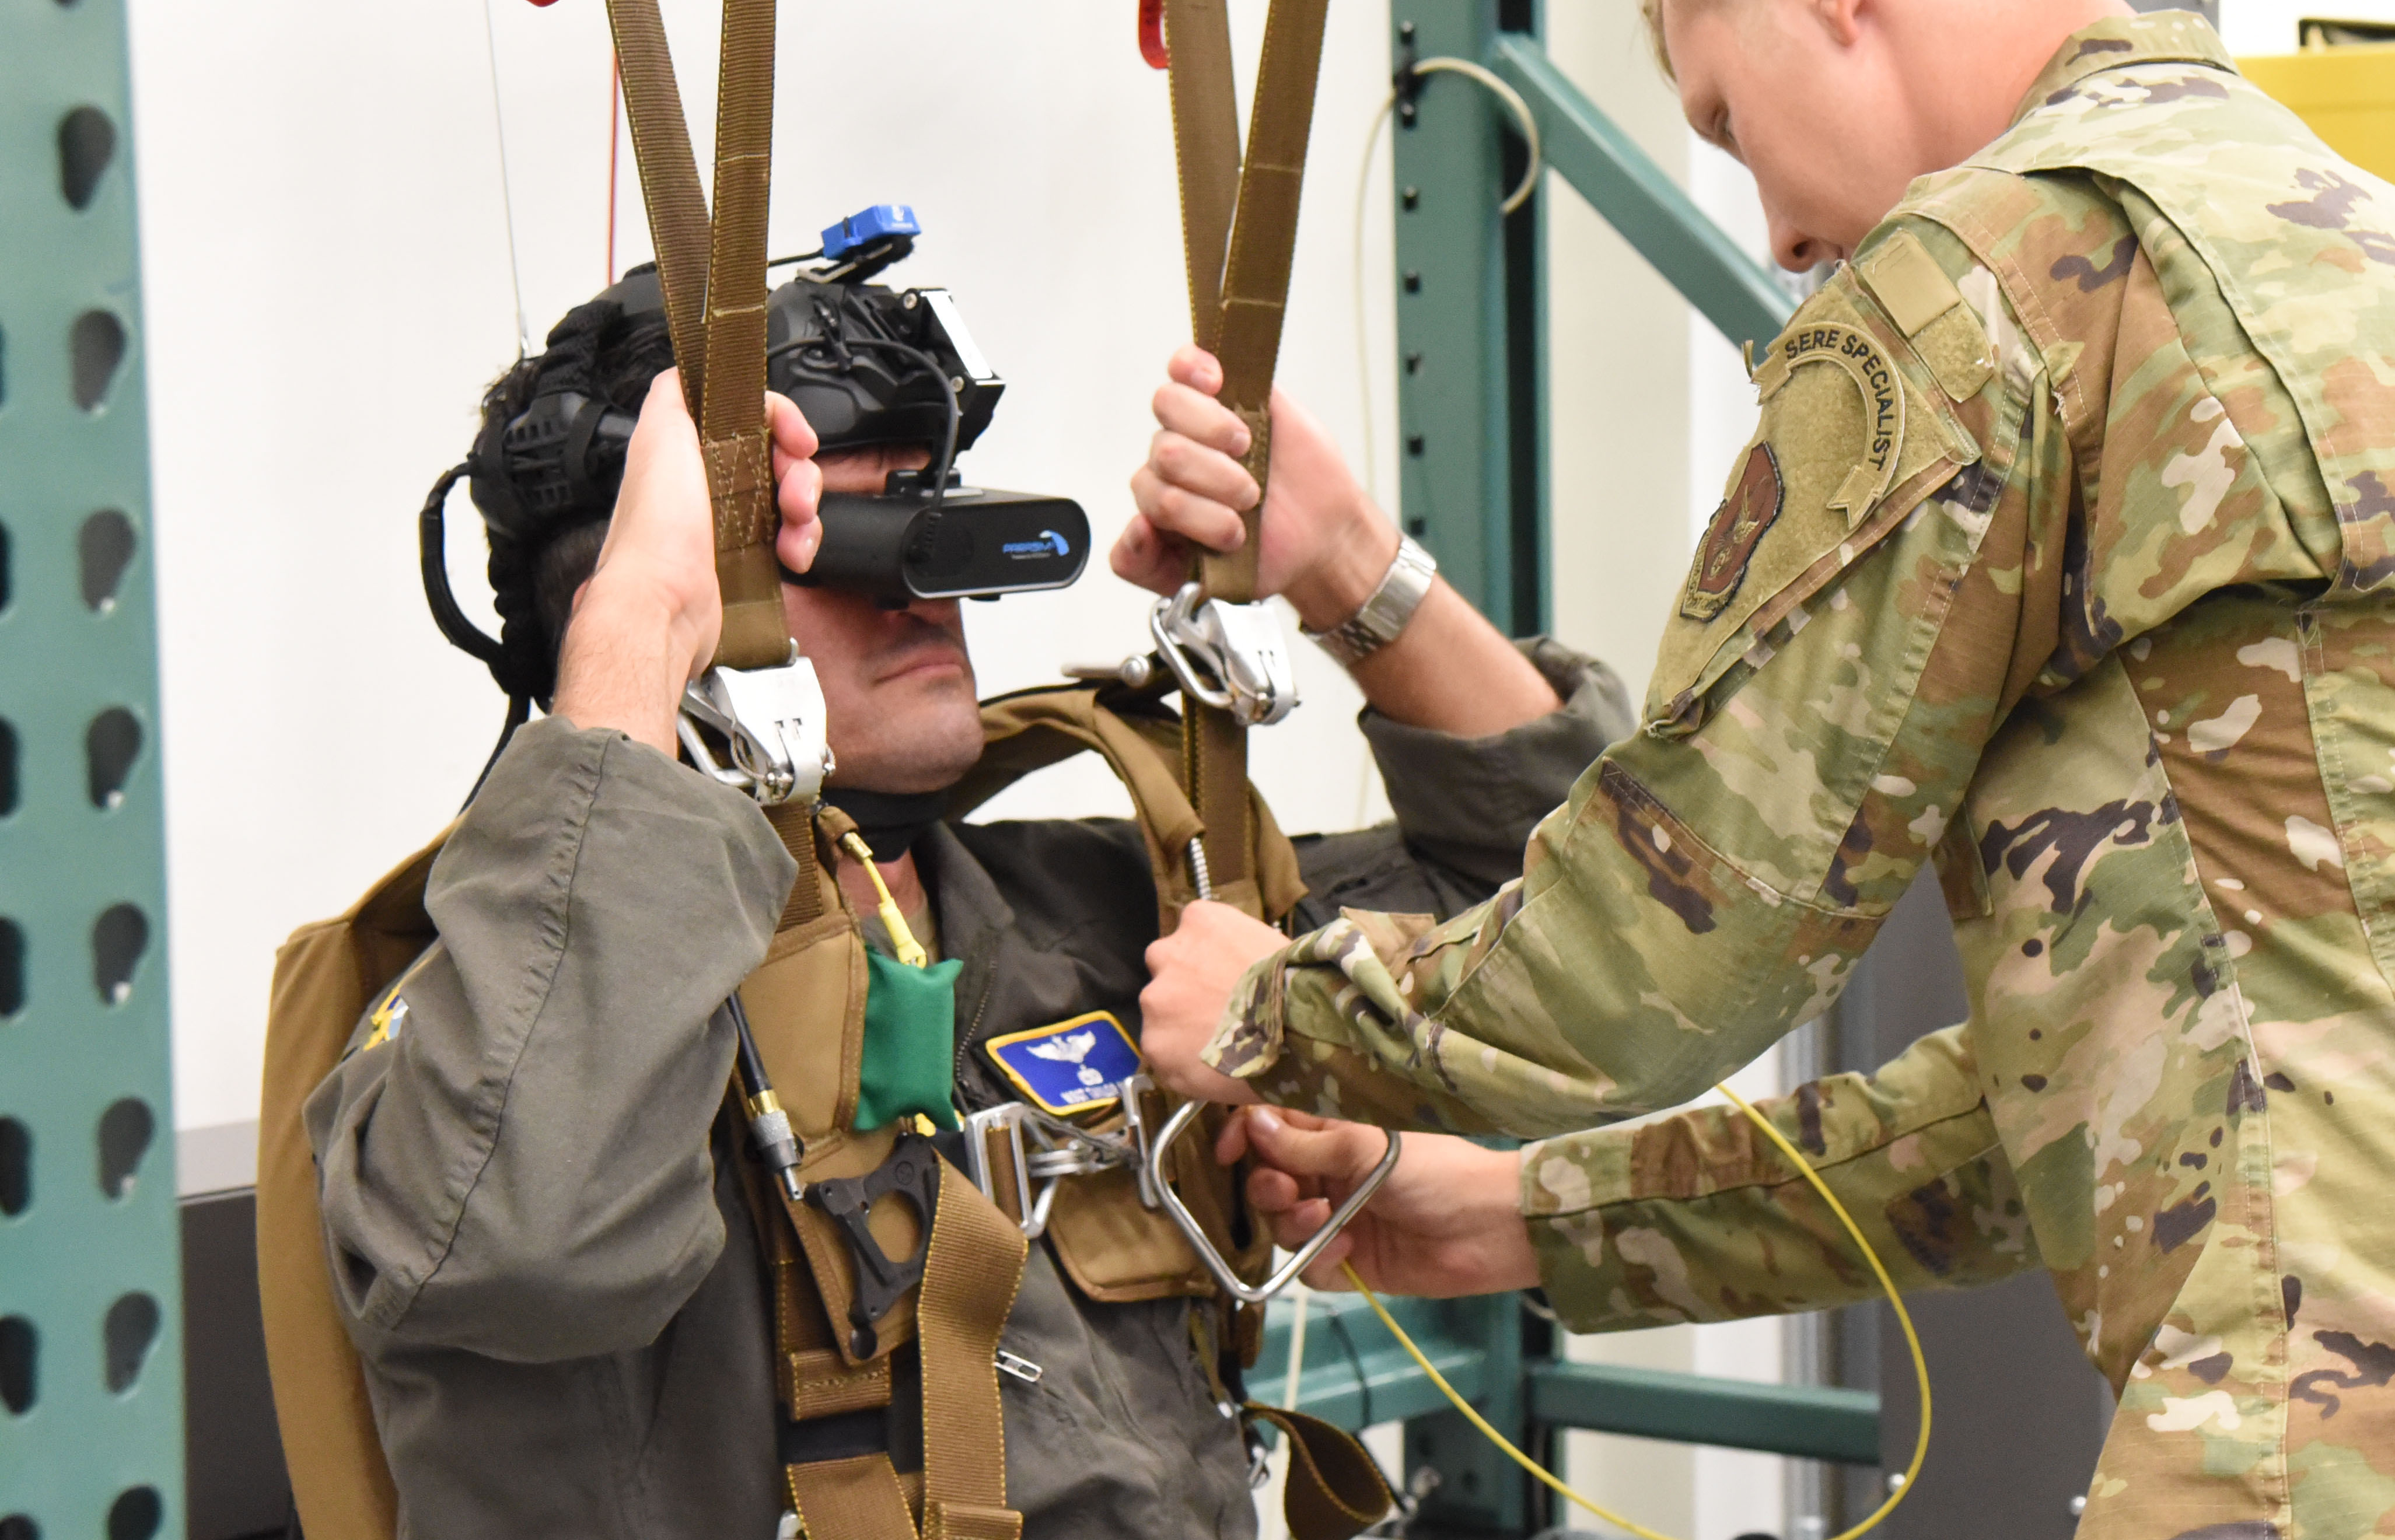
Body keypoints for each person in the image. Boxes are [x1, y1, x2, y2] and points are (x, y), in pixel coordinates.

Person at [1130, 0, 2395, 1540]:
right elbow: (2109, 1090)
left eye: (1723, 116)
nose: (1770, 226)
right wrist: (1518, 1213)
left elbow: (1672, 941)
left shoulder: (1986, 277)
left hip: (2337, 1463)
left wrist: (1279, 1010)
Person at [299, 269, 1632, 1539]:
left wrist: (1345, 561)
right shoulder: (488, 1044)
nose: (927, 589)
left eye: (931, 508)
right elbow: (529, 1240)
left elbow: (1604, 935)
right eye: (839, 536)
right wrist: (635, 618)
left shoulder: (1113, 918)